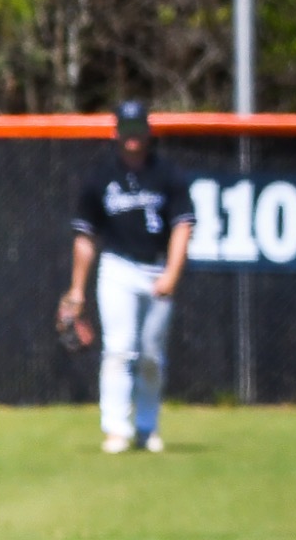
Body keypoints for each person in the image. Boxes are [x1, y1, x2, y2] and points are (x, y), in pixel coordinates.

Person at [57, 99, 195, 454]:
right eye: (126, 129)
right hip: (117, 267)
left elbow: (183, 227)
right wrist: (76, 290)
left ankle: (147, 428)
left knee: (151, 355)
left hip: (157, 269)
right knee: (118, 350)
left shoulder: (167, 174)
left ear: (148, 131)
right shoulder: (101, 177)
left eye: (138, 128)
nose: (133, 136)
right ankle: (116, 429)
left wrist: (172, 275)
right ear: (116, 132)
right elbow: (85, 237)